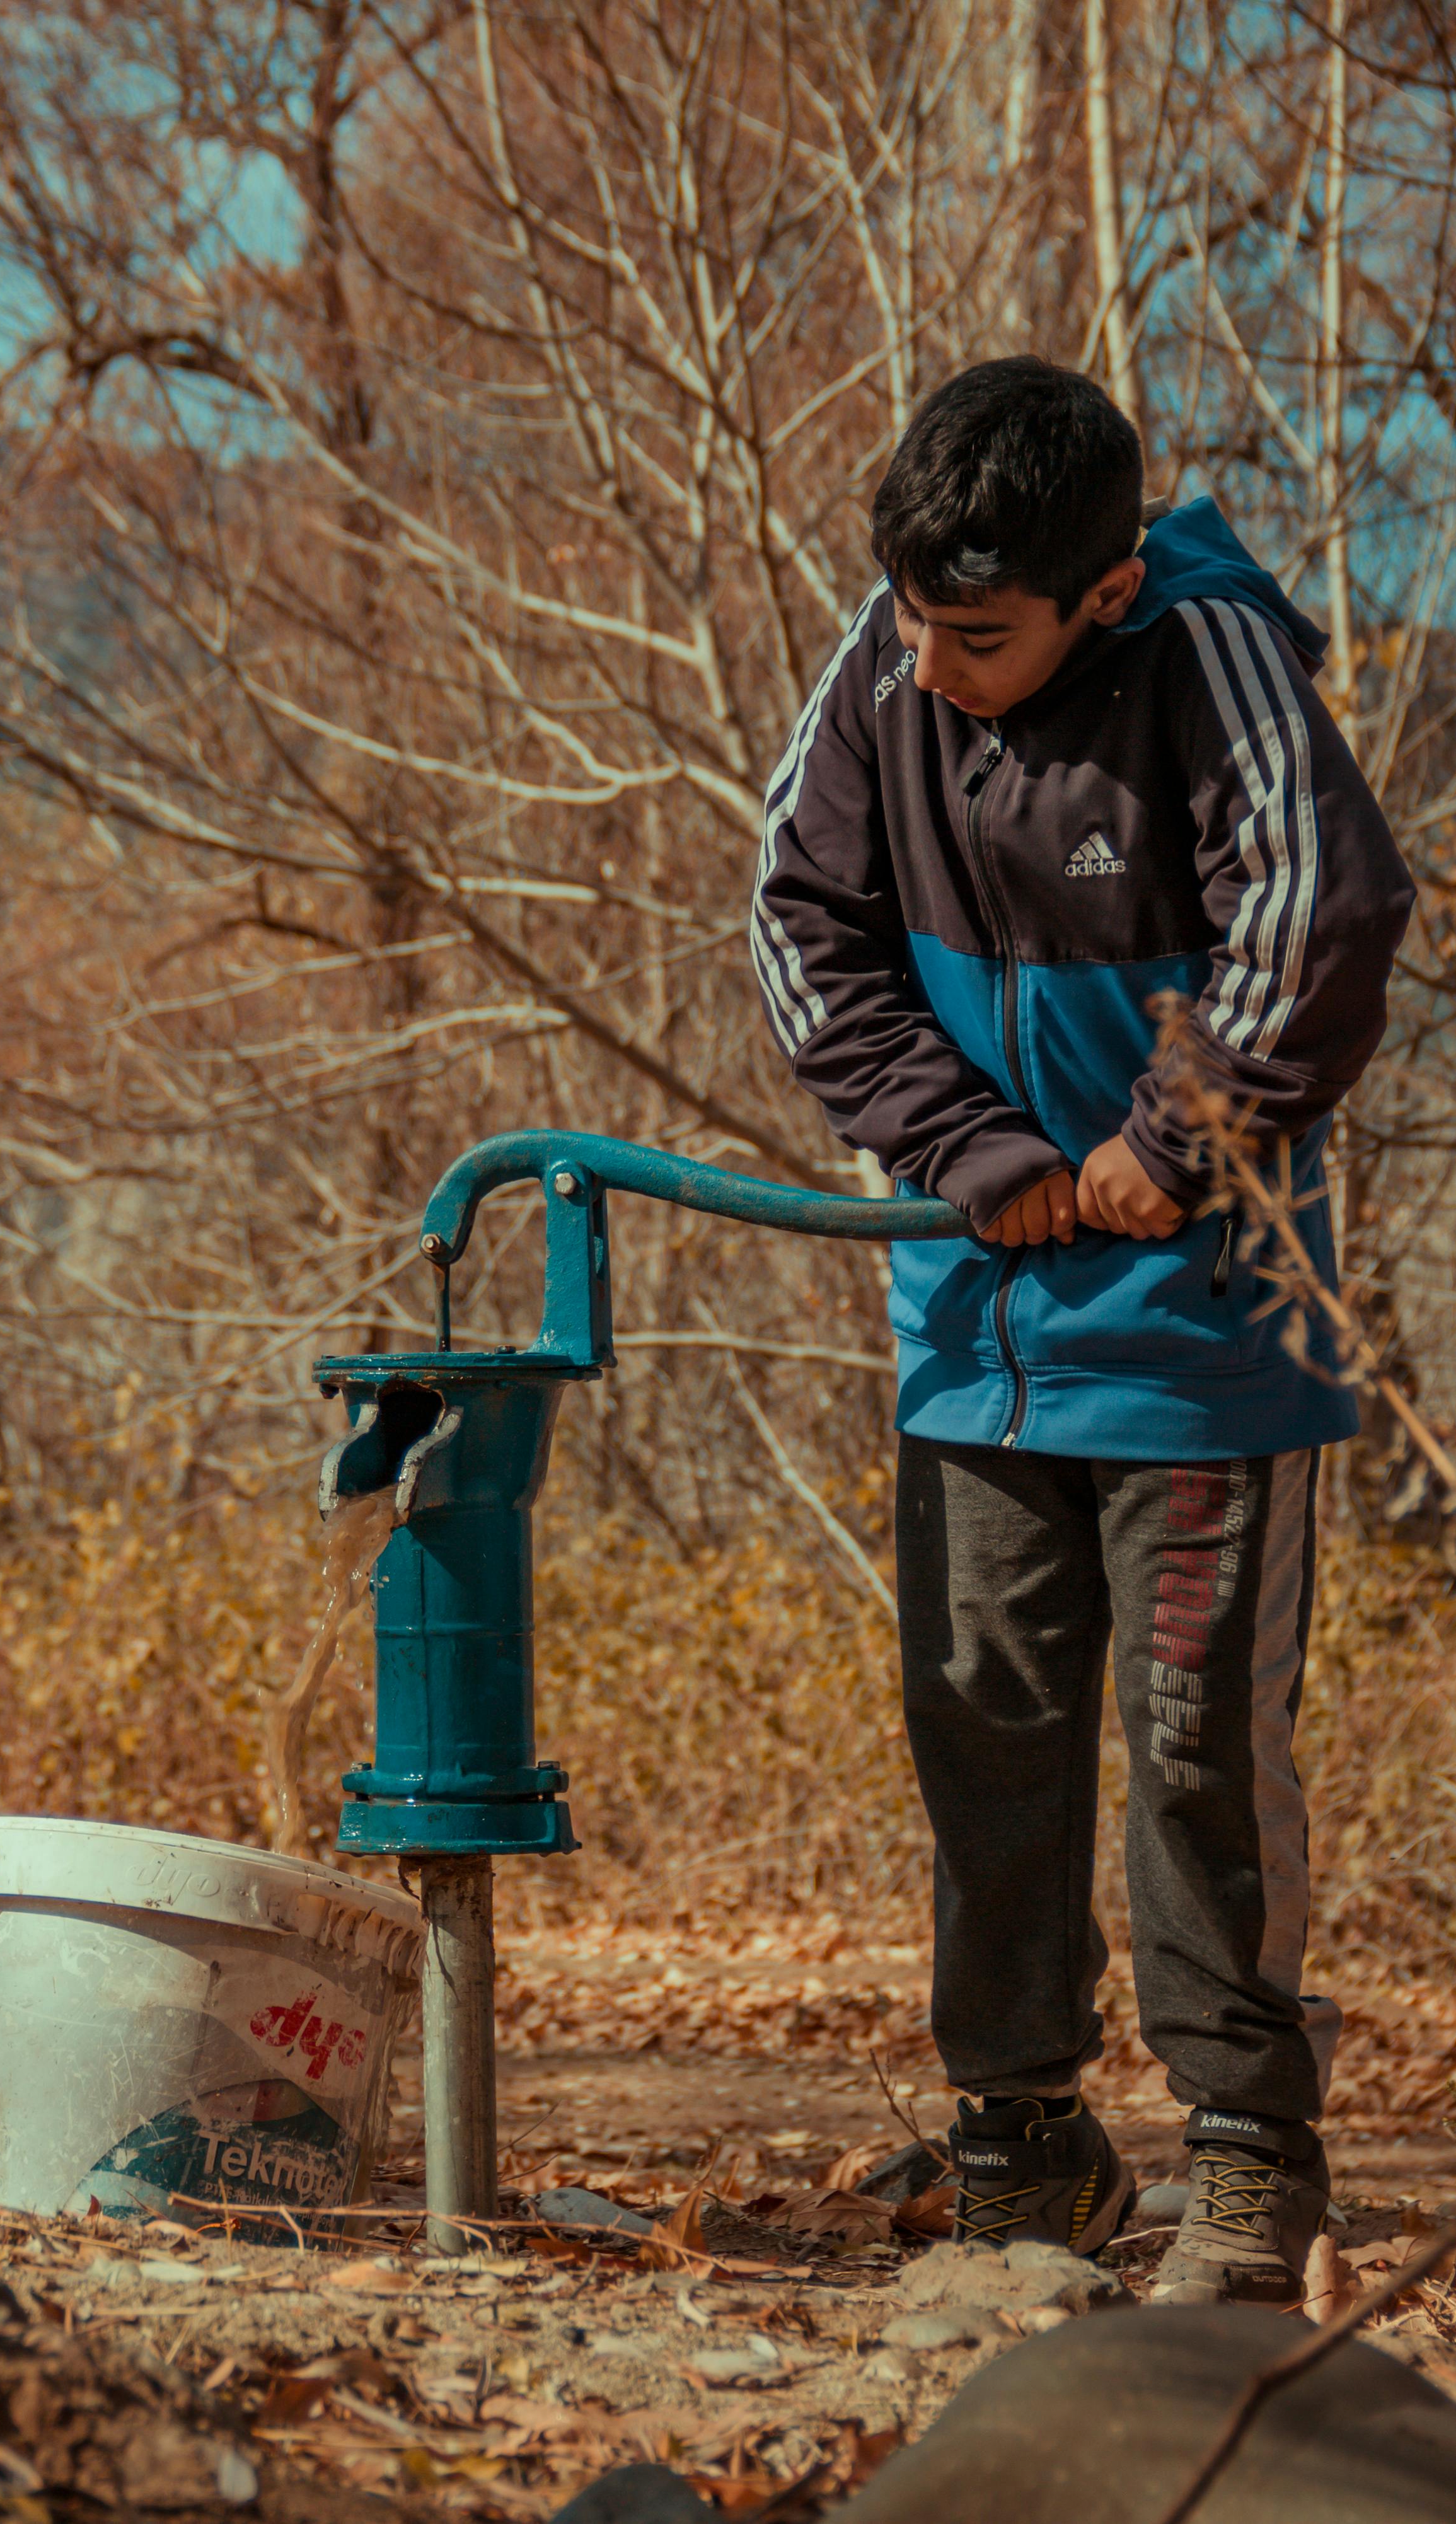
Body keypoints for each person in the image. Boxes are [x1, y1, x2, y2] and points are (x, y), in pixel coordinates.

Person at [750, 357, 1414, 2305]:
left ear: (1099, 593)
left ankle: (1243, 2155)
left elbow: (1320, 911)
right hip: (974, 1326)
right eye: (915, 620)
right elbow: (797, 927)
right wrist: (963, 1141)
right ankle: (1022, 2147)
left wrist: (1163, 1140)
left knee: (1201, 1744)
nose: (933, 662)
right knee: (982, 1725)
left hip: (1204, 1339)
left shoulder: (1208, 658)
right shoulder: (886, 666)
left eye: (980, 633)